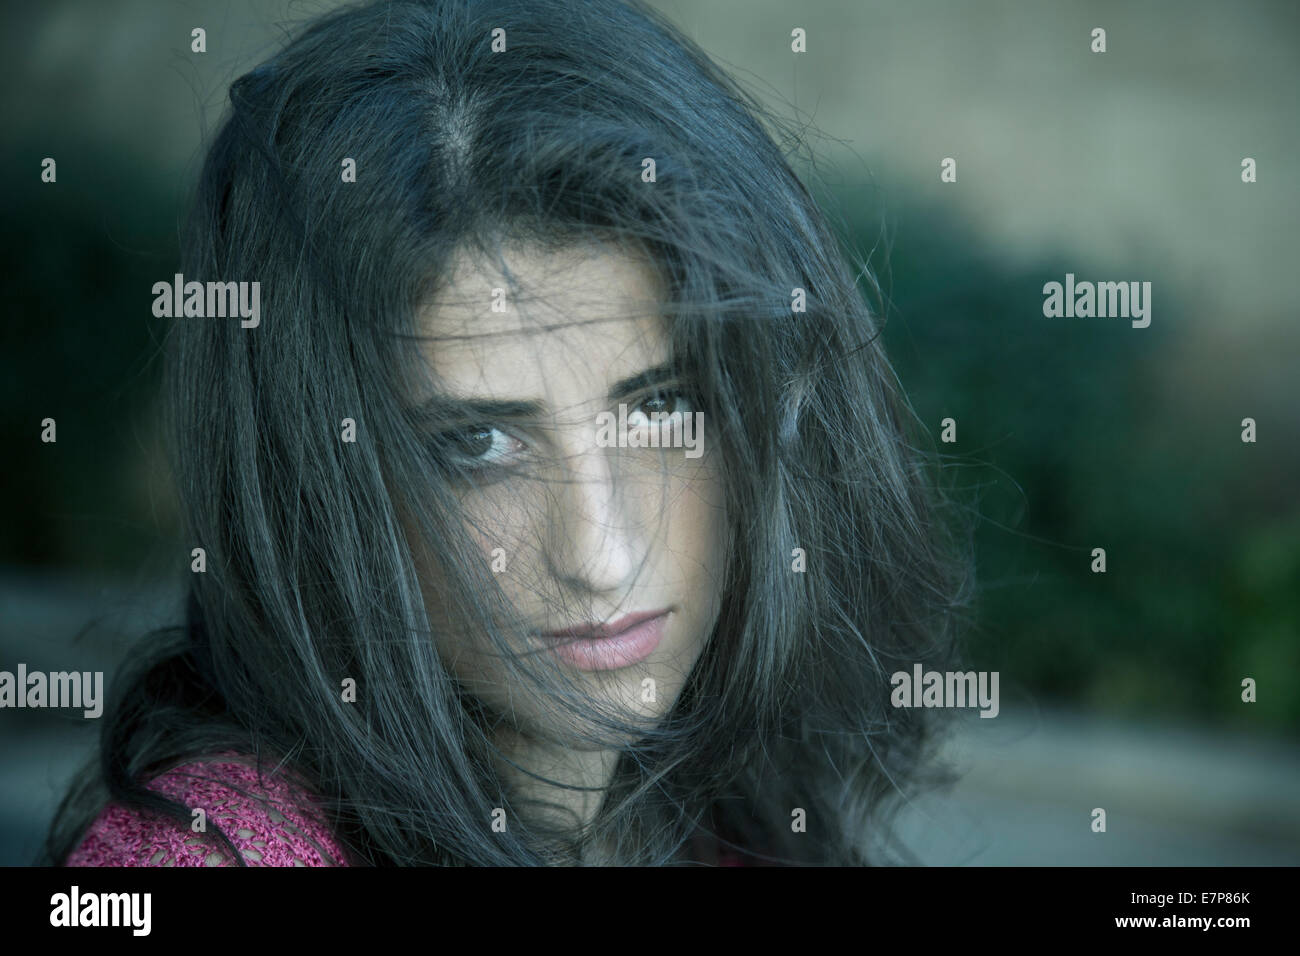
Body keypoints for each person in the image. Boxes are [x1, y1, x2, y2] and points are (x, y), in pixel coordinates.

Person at [45, 0, 973, 867]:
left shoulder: (729, 819)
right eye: (480, 445)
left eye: (661, 407)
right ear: (317, 486)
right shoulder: (213, 855)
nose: (600, 556)